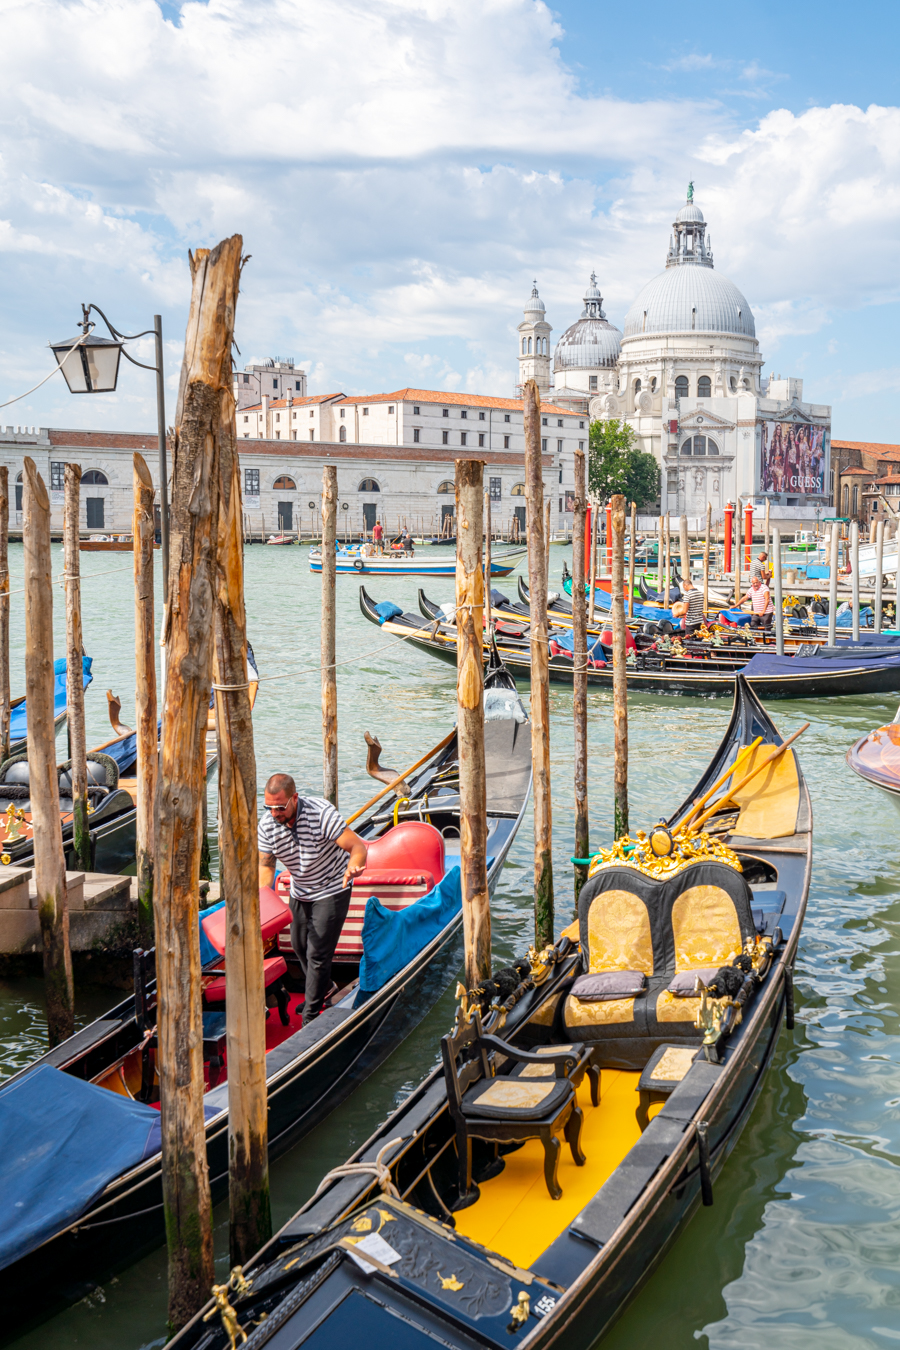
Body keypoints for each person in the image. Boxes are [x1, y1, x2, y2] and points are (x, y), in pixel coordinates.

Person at [258, 773, 368, 1022]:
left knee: (317, 953)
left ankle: (311, 1014)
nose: (274, 813)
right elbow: (266, 866)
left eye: (280, 807)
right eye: (270, 807)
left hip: (332, 886)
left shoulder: (321, 813)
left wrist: (354, 867)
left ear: (294, 798)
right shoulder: (267, 825)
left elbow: (358, 847)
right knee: (298, 945)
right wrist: (264, 901)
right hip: (301, 889)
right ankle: (325, 987)